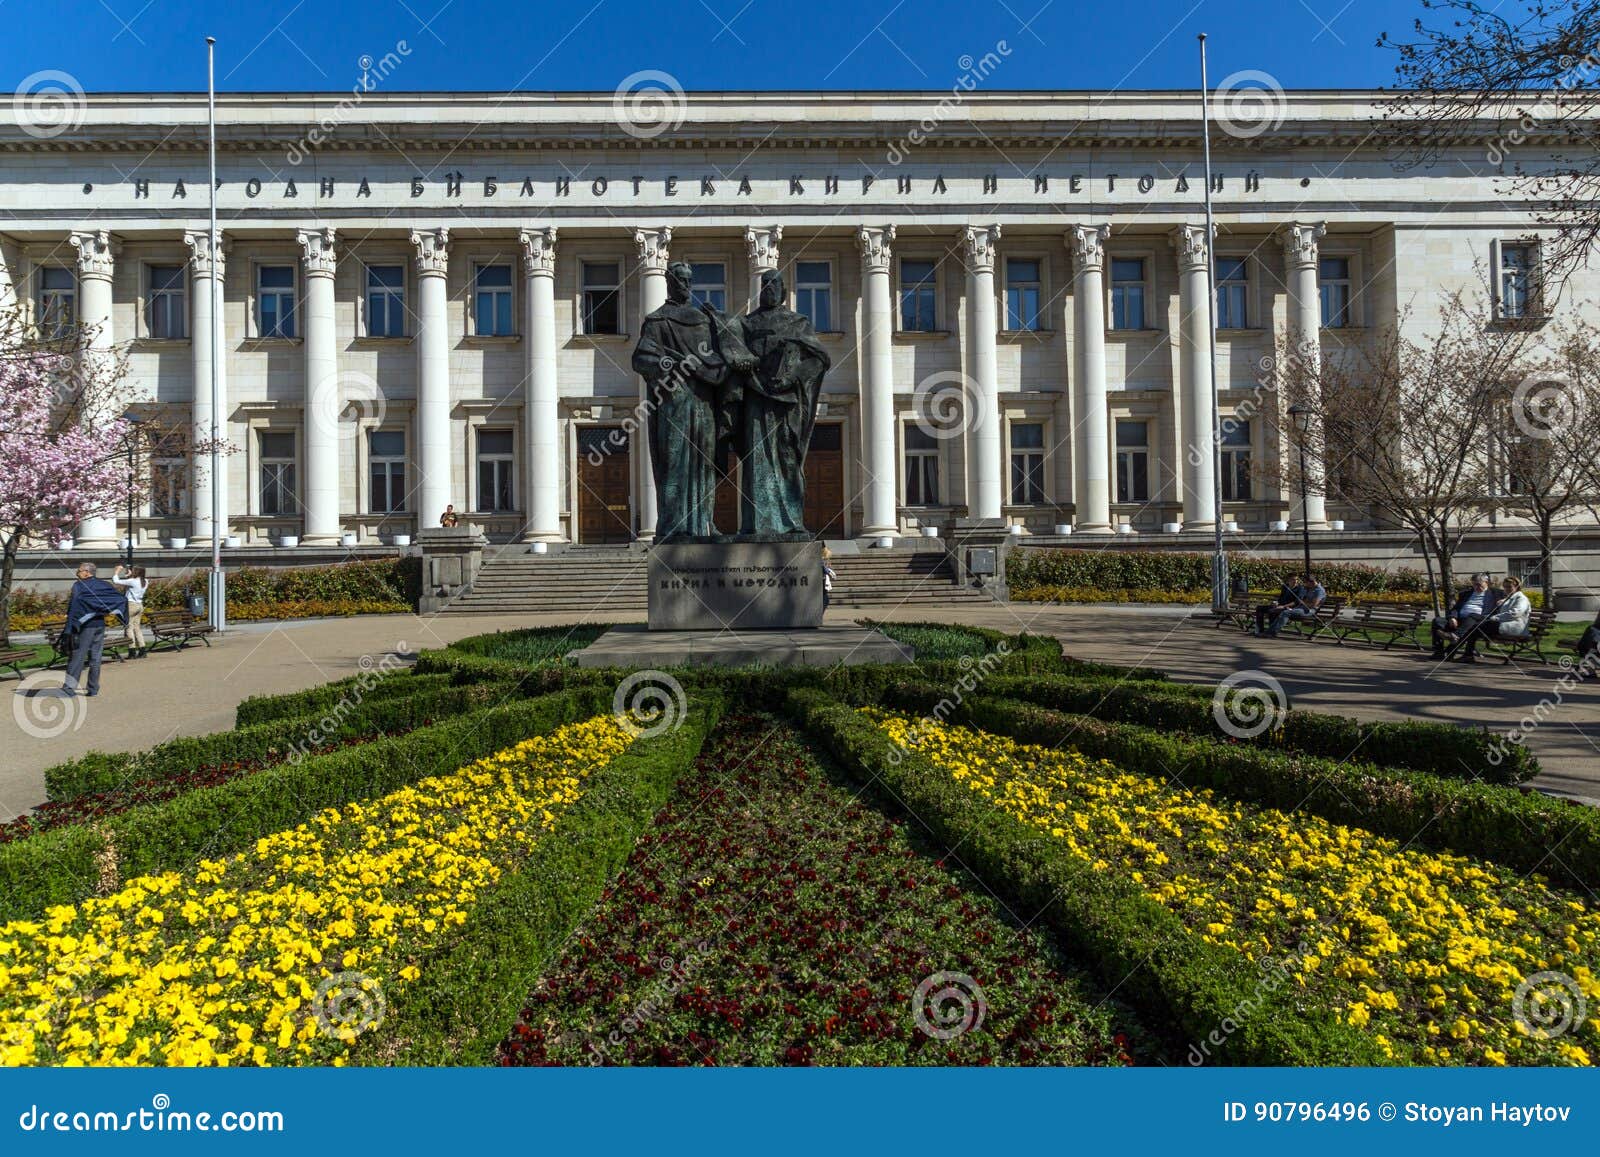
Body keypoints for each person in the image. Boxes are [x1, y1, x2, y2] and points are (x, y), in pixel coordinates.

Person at [62, 561, 127, 697]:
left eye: (79, 570)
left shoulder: (79, 586)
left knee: (77, 657)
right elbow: (120, 599)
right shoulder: (104, 584)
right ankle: (93, 689)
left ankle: (69, 689)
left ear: (87, 572)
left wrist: (70, 626)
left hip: (85, 626)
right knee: (96, 658)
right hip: (100, 625)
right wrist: (106, 610)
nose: (77, 573)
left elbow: (74, 605)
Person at [1452, 576, 1532, 662]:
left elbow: (1515, 613)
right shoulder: (1509, 598)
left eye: (1509, 587)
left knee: (1474, 627)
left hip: (1515, 627)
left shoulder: (1521, 598)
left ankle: (1463, 652)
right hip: (1504, 624)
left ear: (1517, 587)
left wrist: (1493, 617)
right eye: (1505, 587)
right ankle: (1466, 654)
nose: (1507, 589)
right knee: (1474, 627)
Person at [1430, 573, 1503, 659]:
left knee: (1471, 619)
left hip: (1481, 620)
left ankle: (1454, 640)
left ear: (1486, 582)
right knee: (1437, 621)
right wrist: (1452, 617)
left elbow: (1513, 595)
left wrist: (1504, 599)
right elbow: (1456, 608)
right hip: (1461, 620)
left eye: (1479, 584)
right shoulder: (1465, 593)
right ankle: (1438, 652)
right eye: (1474, 584)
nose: (1476, 587)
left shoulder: (1496, 593)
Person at [1254, 574, 1325, 637]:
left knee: (1285, 612)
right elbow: (1304, 600)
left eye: (1305, 582)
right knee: (1277, 610)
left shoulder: (1319, 590)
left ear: (1311, 581)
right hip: (1300, 608)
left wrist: (1303, 602)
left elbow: (1313, 605)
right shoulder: (1309, 588)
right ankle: (1266, 632)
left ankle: (1271, 633)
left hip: (1308, 611)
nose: (1304, 584)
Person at [110, 564, 149, 658]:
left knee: (129, 628)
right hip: (139, 605)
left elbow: (115, 581)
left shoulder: (133, 581)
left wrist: (117, 571)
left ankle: (132, 651)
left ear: (136, 572)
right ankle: (142, 649)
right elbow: (132, 582)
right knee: (137, 628)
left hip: (131, 605)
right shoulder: (145, 581)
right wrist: (130, 575)